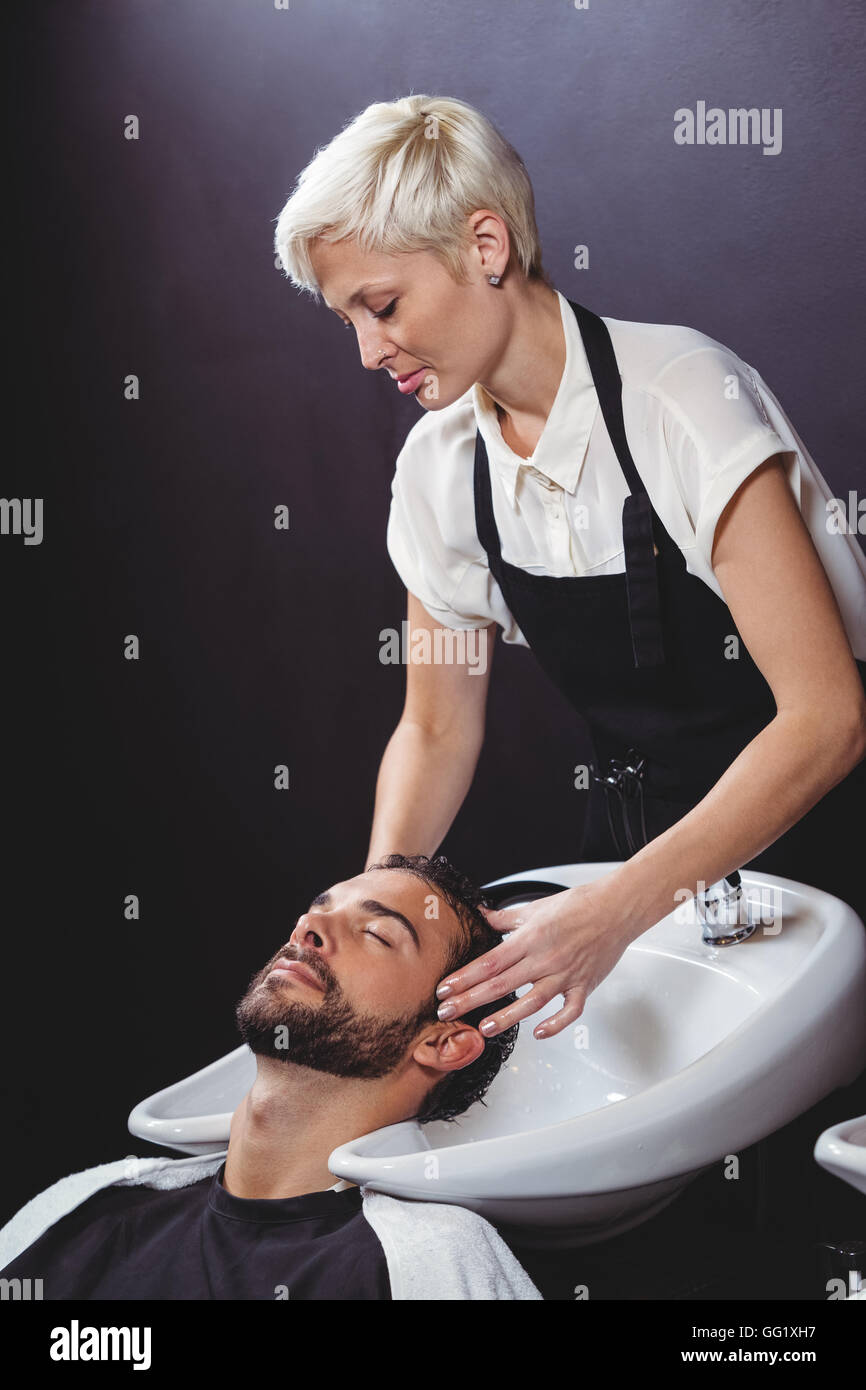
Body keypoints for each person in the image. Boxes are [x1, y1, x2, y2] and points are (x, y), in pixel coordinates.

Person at [272, 93, 866, 1062]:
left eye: (381, 307)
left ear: (484, 246)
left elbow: (824, 716)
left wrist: (616, 909)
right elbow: (433, 726)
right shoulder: (436, 467)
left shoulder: (680, 395)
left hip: (826, 850)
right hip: (629, 862)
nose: (367, 351)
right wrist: (369, 913)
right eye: (348, 318)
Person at [0, 854, 542, 1301]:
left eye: (376, 933)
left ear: (443, 1042)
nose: (309, 928)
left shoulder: (431, 1263)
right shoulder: (86, 1207)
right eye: (317, 910)